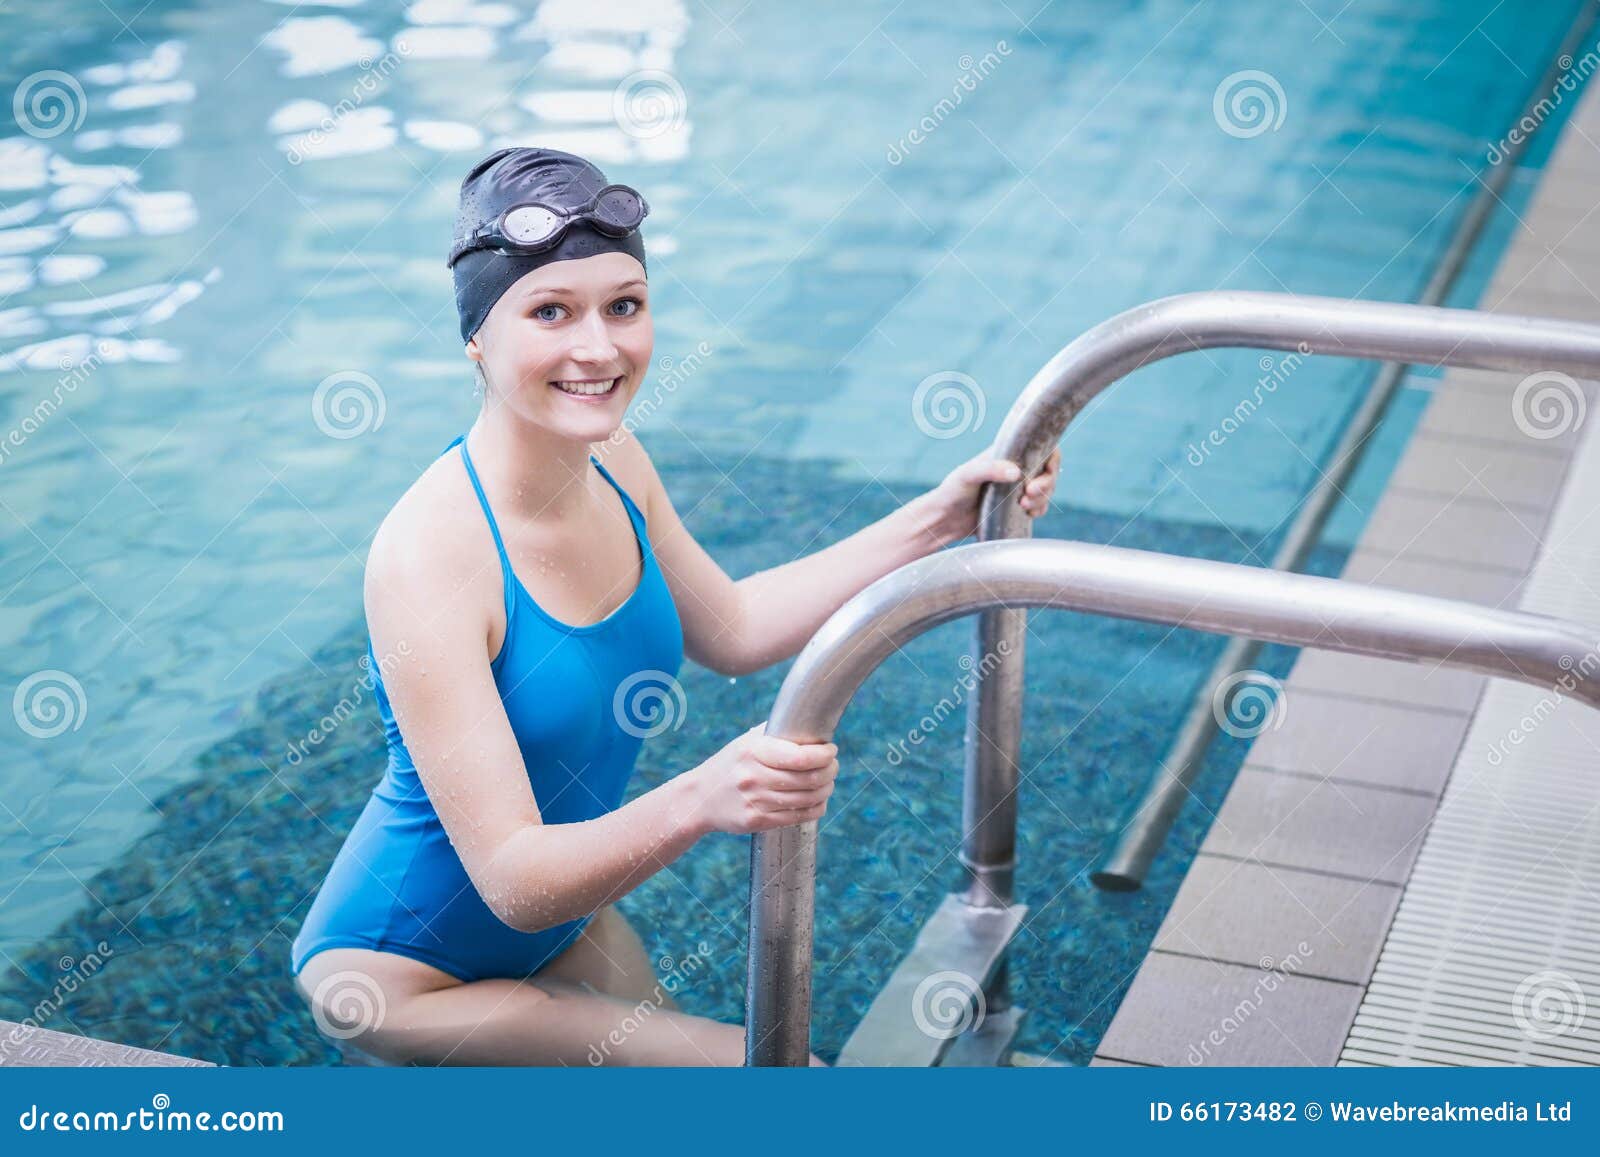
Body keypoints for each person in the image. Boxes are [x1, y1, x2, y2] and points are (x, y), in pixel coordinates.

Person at [289, 147, 1062, 1066]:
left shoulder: (616, 465)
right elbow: (510, 879)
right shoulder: (429, 556)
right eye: (549, 312)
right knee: (784, 1080)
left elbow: (732, 627)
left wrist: (938, 520)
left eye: (625, 305)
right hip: (398, 976)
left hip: (564, 925)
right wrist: (704, 795)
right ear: (476, 341)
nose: (600, 348)